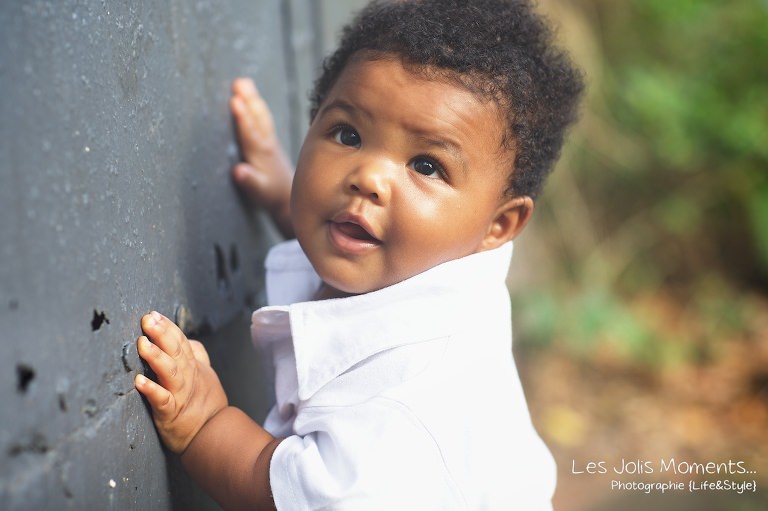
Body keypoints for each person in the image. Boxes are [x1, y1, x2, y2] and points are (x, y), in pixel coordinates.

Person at [134, 0, 583, 509]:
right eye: (347, 135)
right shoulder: (440, 259)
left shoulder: (403, 413)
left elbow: (297, 492)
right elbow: (368, 249)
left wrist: (203, 421)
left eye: (427, 166)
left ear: (498, 225)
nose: (368, 177)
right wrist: (290, 193)